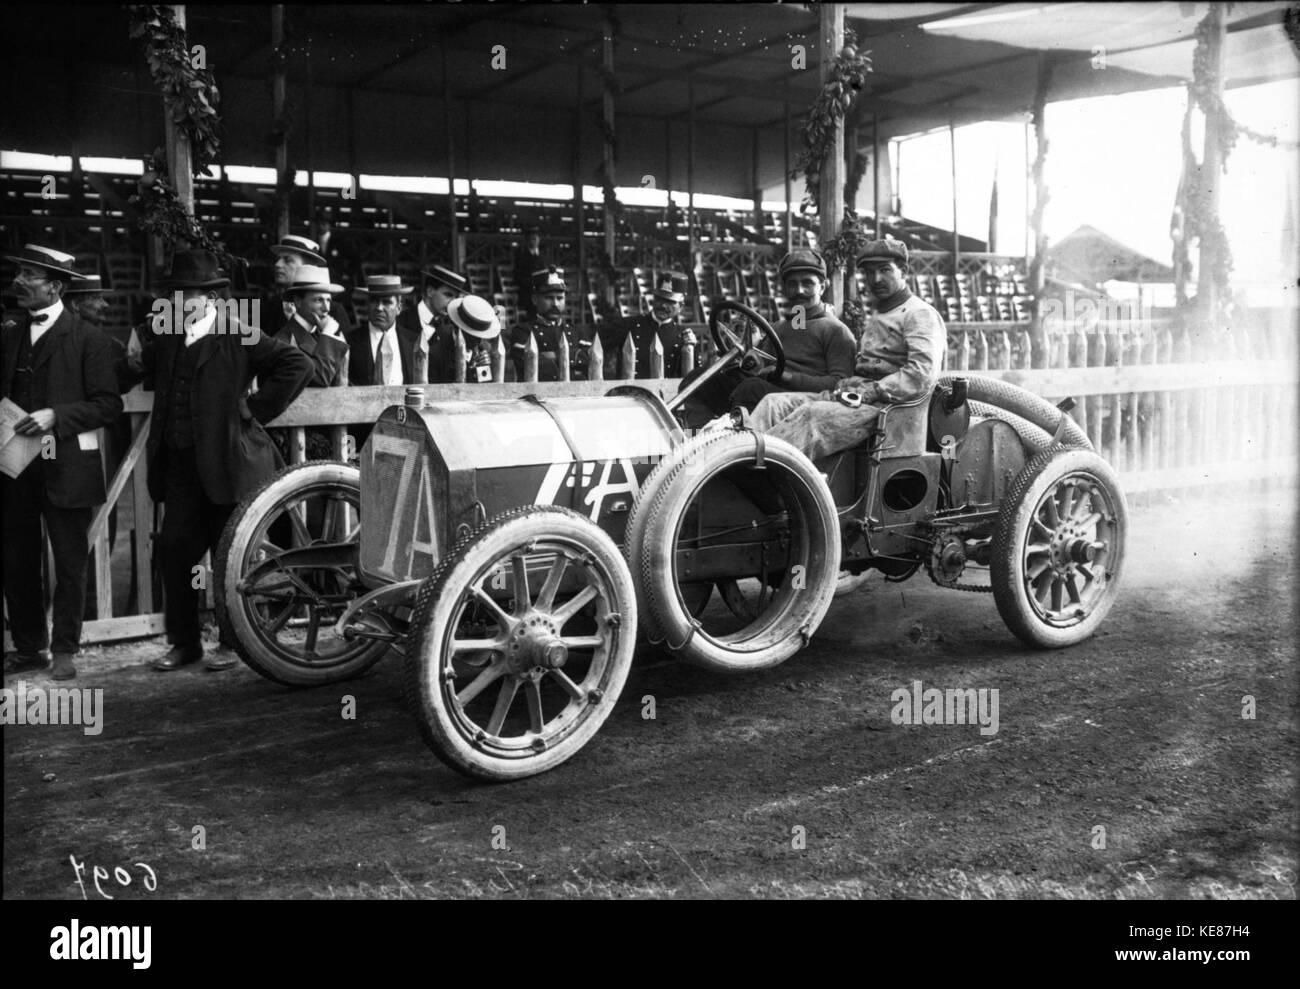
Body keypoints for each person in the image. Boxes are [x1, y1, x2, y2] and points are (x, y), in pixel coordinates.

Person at [123, 249, 311, 672]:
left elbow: (296, 364)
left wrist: (255, 409)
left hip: (228, 464)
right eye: (174, 293)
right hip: (179, 465)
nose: (179, 301)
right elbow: (135, 366)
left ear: (209, 297)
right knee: (175, 551)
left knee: (229, 556)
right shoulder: (169, 337)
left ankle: (232, 642)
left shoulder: (238, 331)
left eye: (188, 293)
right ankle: (185, 643)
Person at [2, 245, 123, 681]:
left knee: (70, 560)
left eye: (28, 274)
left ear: (54, 286)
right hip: (17, 467)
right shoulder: (11, 335)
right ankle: (29, 647)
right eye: (18, 272)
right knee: (16, 559)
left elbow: (108, 405)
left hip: (67, 462)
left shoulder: (88, 339)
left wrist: (57, 415)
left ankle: (66, 647)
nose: (18, 281)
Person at [749, 239, 947, 462]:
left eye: (884, 270)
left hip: (887, 409)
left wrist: (873, 390)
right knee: (772, 404)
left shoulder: (919, 314)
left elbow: (921, 375)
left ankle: (761, 467)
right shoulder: (883, 313)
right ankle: (735, 459)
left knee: (811, 416)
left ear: (904, 271)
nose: (876, 279)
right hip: (858, 398)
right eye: (869, 273)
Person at [676, 248, 855, 428]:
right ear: (785, 288)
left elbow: (839, 383)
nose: (799, 290)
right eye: (792, 284)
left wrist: (787, 377)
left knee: (751, 389)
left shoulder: (836, 331)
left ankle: (738, 445)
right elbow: (760, 367)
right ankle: (698, 441)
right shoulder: (780, 326)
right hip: (766, 393)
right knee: (699, 379)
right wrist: (748, 364)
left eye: (807, 283)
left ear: (822, 287)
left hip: (805, 401)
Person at [603, 271, 695, 379]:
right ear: (654, 299)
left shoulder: (682, 336)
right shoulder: (627, 325)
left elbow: (694, 377)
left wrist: (692, 346)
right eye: (660, 299)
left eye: (670, 301)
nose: (664, 305)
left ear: (681, 306)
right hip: (627, 393)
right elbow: (593, 351)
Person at [264, 234, 355, 340]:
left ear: (308, 267)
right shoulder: (267, 309)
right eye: (278, 259)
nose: (278, 264)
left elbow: (347, 354)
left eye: (287, 260)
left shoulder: (335, 312)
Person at [509, 266, 593, 381]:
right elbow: (531, 366)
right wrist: (570, 358)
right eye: (549, 298)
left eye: (560, 298)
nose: (555, 304)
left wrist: (551, 356)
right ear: (535, 299)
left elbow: (590, 360)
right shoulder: (523, 331)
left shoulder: (574, 330)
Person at [274, 265, 350, 387]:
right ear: (298, 302)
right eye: (319, 300)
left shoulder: (321, 335)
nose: (326, 308)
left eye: (328, 300)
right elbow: (320, 379)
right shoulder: (284, 342)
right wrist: (327, 334)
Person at [396, 264, 468, 384]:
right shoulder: (401, 322)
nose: (452, 302)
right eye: (448, 295)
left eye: (455, 297)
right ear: (429, 291)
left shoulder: (450, 331)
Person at [346, 274, 415, 386]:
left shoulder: (413, 342)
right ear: (367, 305)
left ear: (399, 307)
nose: (379, 308)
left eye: (387, 302)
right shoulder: (350, 342)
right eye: (374, 301)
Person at [447, 294, 503, 382]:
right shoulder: (440, 345)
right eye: (473, 334)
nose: (479, 340)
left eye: (482, 335)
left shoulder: (482, 349)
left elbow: (486, 391)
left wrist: (484, 371)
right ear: (459, 326)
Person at [512, 226, 544, 319]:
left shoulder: (542, 255)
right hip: (526, 291)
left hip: (541, 289)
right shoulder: (521, 255)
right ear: (527, 241)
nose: (534, 241)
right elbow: (516, 276)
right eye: (532, 239)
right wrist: (530, 283)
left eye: (536, 238)